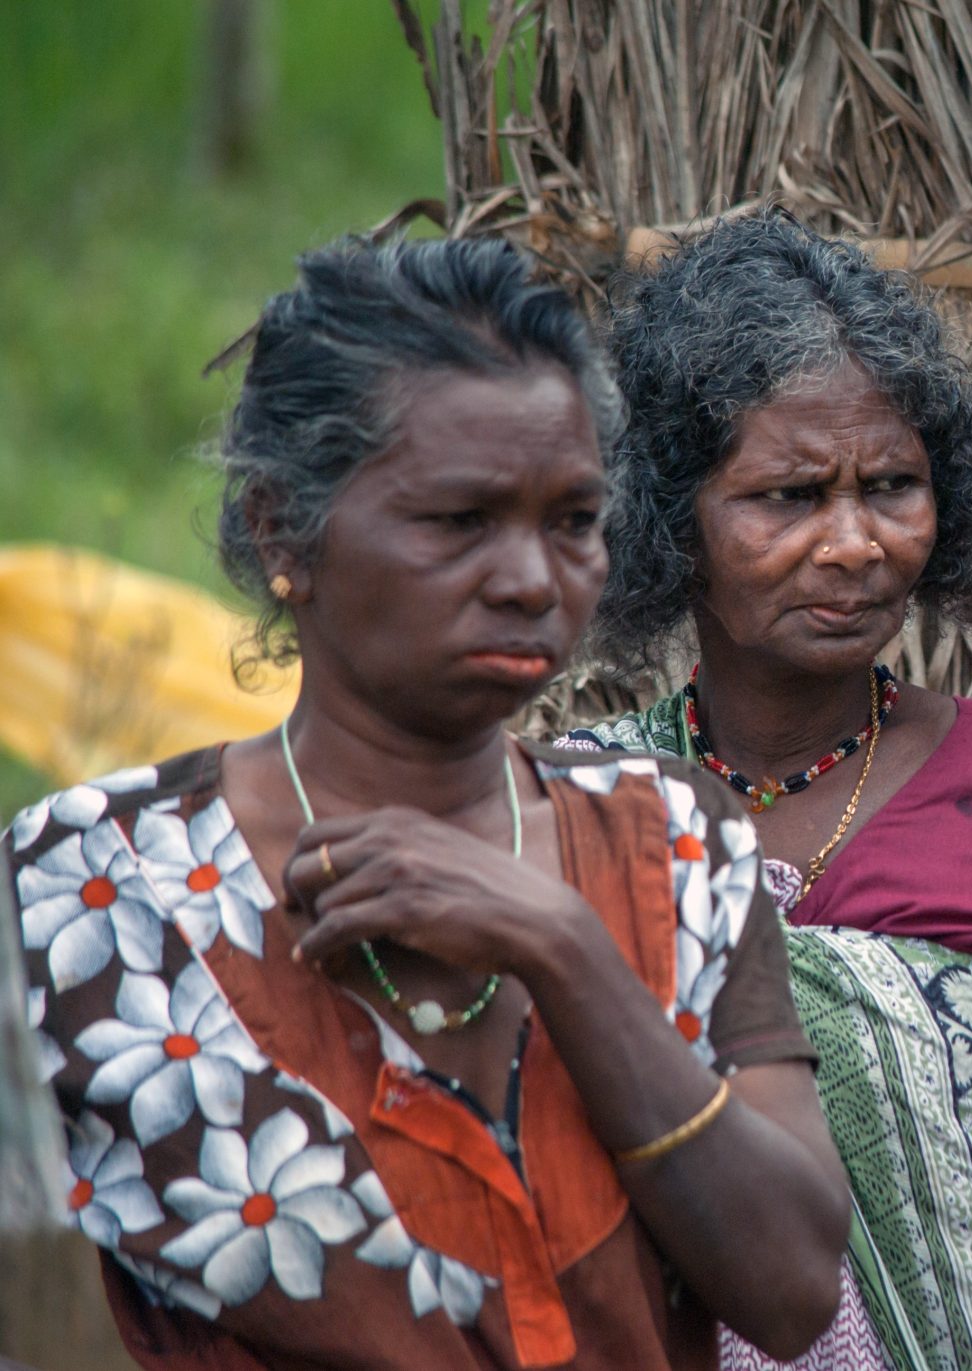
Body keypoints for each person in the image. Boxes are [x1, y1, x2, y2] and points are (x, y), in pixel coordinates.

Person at [8, 237, 849, 1369]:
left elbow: (791, 1293)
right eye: (459, 522)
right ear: (280, 531)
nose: (531, 579)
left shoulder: (676, 846)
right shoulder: (84, 891)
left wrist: (561, 945)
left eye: (572, 520)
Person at [560, 211, 972, 1371]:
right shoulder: (590, 810)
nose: (856, 543)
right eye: (789, 496)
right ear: (674, 518)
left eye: (892, 486)